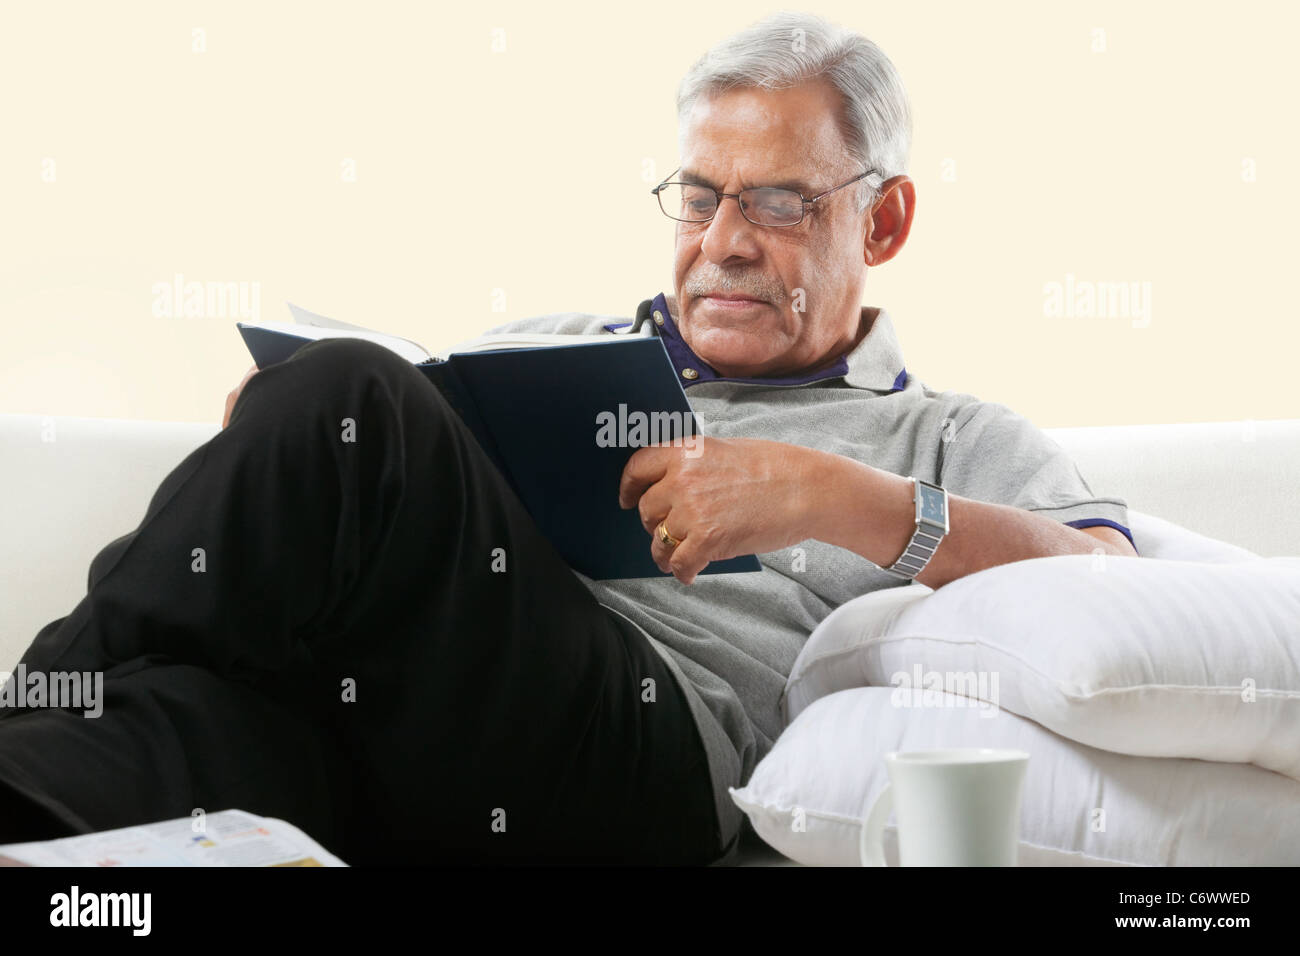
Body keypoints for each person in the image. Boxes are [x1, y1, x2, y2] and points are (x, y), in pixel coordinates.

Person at [0, 11, 1137, 866]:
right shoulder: (551, 345)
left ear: (880, 220)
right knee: (155, 734)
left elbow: (1111, 581)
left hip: (635, 761)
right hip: (391, 731)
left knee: (359, 393)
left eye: (779, 203)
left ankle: (39, 683)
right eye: (700, 198)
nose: (725, 242)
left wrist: (827, 495)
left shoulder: (939, 432)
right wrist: (279, 439)